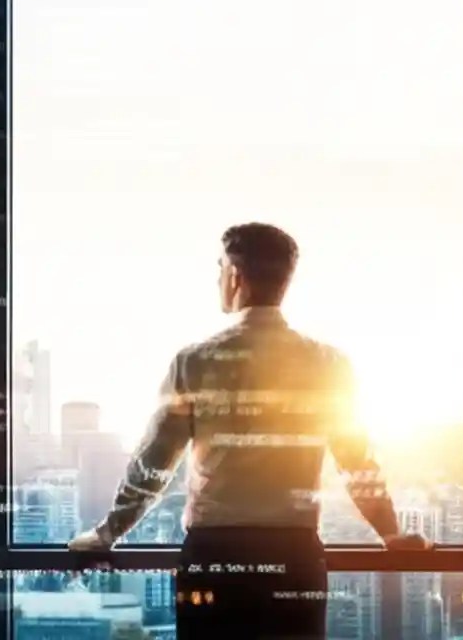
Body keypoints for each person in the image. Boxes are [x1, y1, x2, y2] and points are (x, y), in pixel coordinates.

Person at [67, 222, 431, 639]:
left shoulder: (195, 362)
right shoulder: (328, 364)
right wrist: (390, 532)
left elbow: (154, 464)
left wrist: (107, 533)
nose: (218, 279)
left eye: (220, 268)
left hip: (215, 555)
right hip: (294, 556)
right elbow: (357, 462)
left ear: (235, 276)